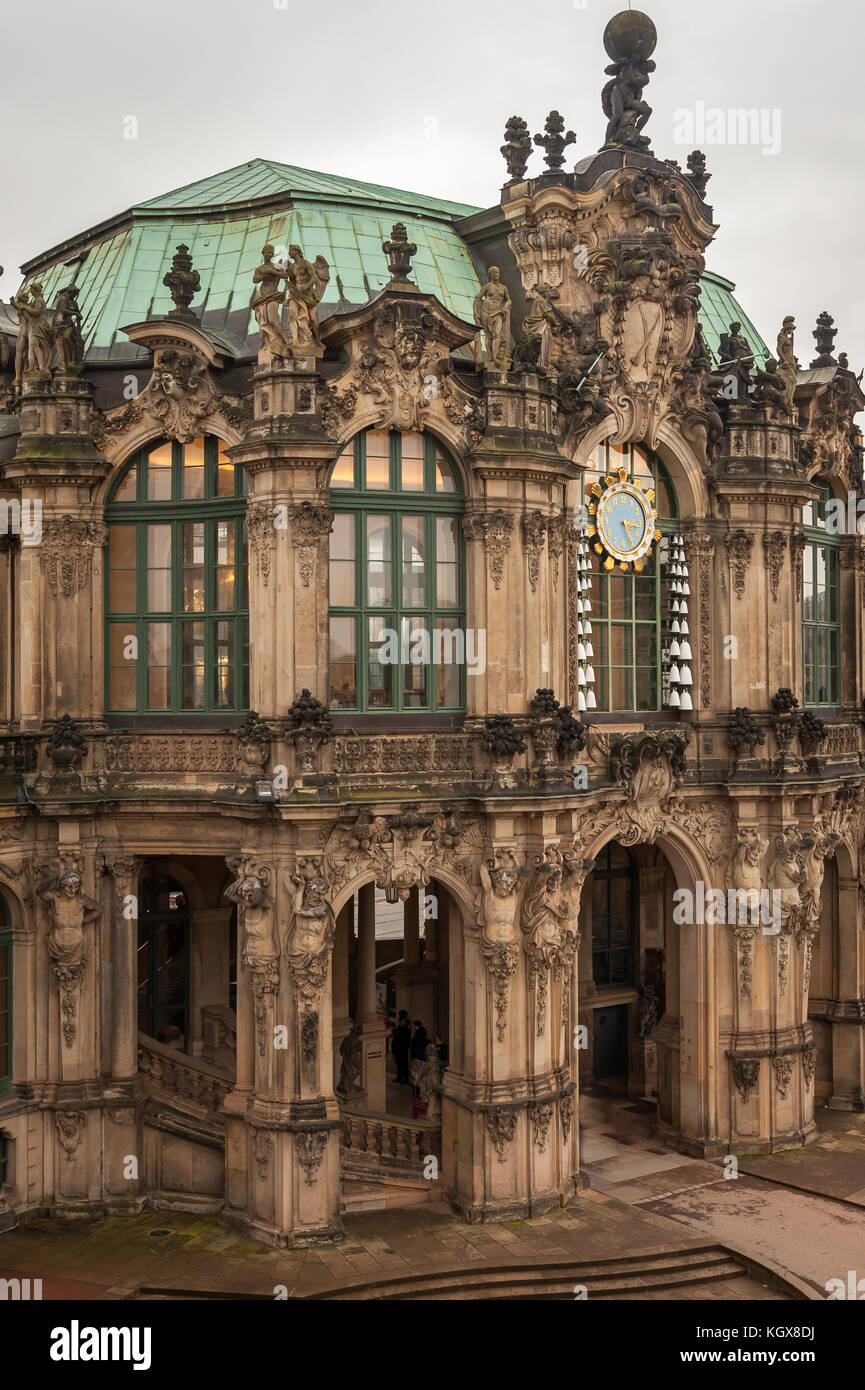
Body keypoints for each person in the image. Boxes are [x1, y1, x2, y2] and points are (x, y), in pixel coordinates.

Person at [391, 1009, 411, 1085]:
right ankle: (399, 1078)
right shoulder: (399, 1028)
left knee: (404, 1065)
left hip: (402, 1050)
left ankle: (405, 1079)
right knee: (399, 1065)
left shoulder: (406, 1030)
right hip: (397, 1050)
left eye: (401, 1021)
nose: (399, 1022)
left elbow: (405, 1041)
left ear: (404, 1022)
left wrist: (401, 1049)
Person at [409, 1019, 428, 1096]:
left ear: (417, 1026)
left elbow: (412, 1048)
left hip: (416, 1059)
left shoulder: (415, 1038)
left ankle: (415, 1094)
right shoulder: (425, 1039)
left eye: (415, 1026)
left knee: (415, 1077)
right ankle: (420, 1093)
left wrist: (411, 1057)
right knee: (421, 1076)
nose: (414, 1028)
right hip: (422, 1059)